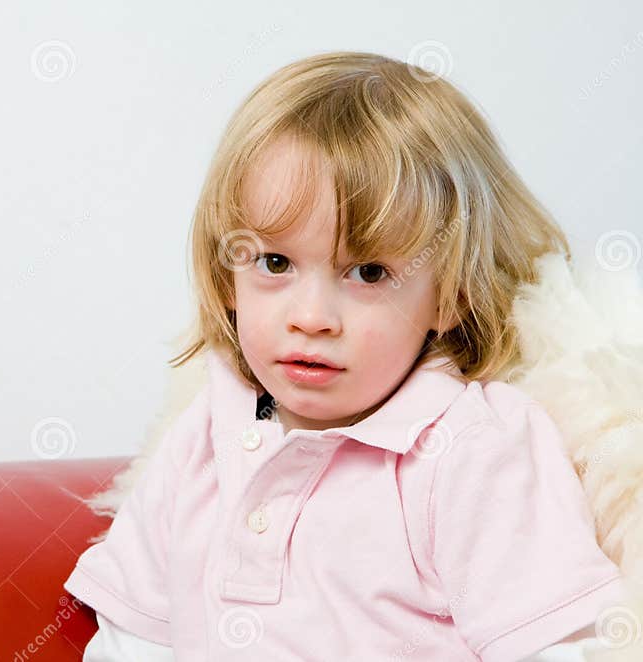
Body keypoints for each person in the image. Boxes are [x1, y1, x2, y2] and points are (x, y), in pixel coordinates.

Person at [63, 51, 631, 661]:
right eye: (275, 263)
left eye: (367, 272)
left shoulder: (476, 448)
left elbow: (555, 649)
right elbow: (134, 642)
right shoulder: (202, 435)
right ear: (228, 275)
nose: (311, 318)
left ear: (450, 295)